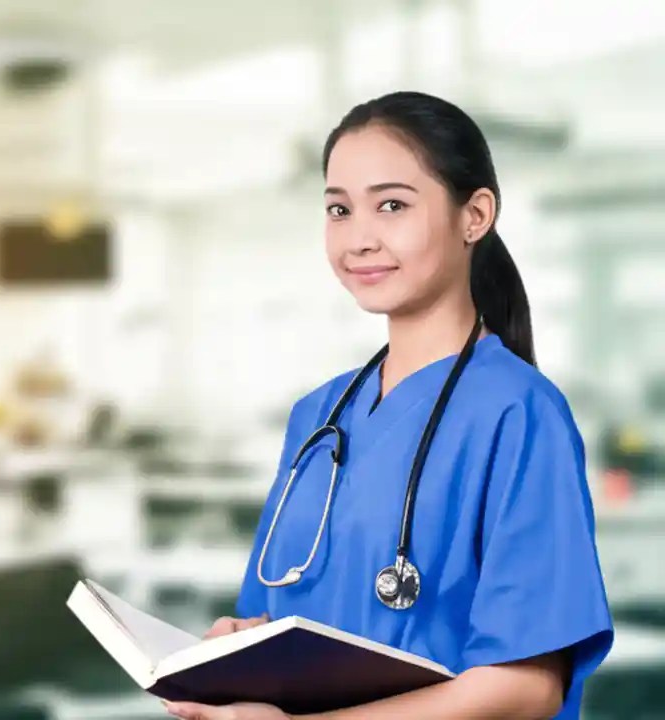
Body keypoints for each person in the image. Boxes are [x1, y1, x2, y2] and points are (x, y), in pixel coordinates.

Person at [164, 91, 613, 720]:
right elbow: (296, 616)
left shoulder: (519, 414)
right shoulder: (318, 417)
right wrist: (242, 644)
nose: (359, 239)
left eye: (392, 205)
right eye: (339, 209)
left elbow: (527, 688)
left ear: (475, 215)